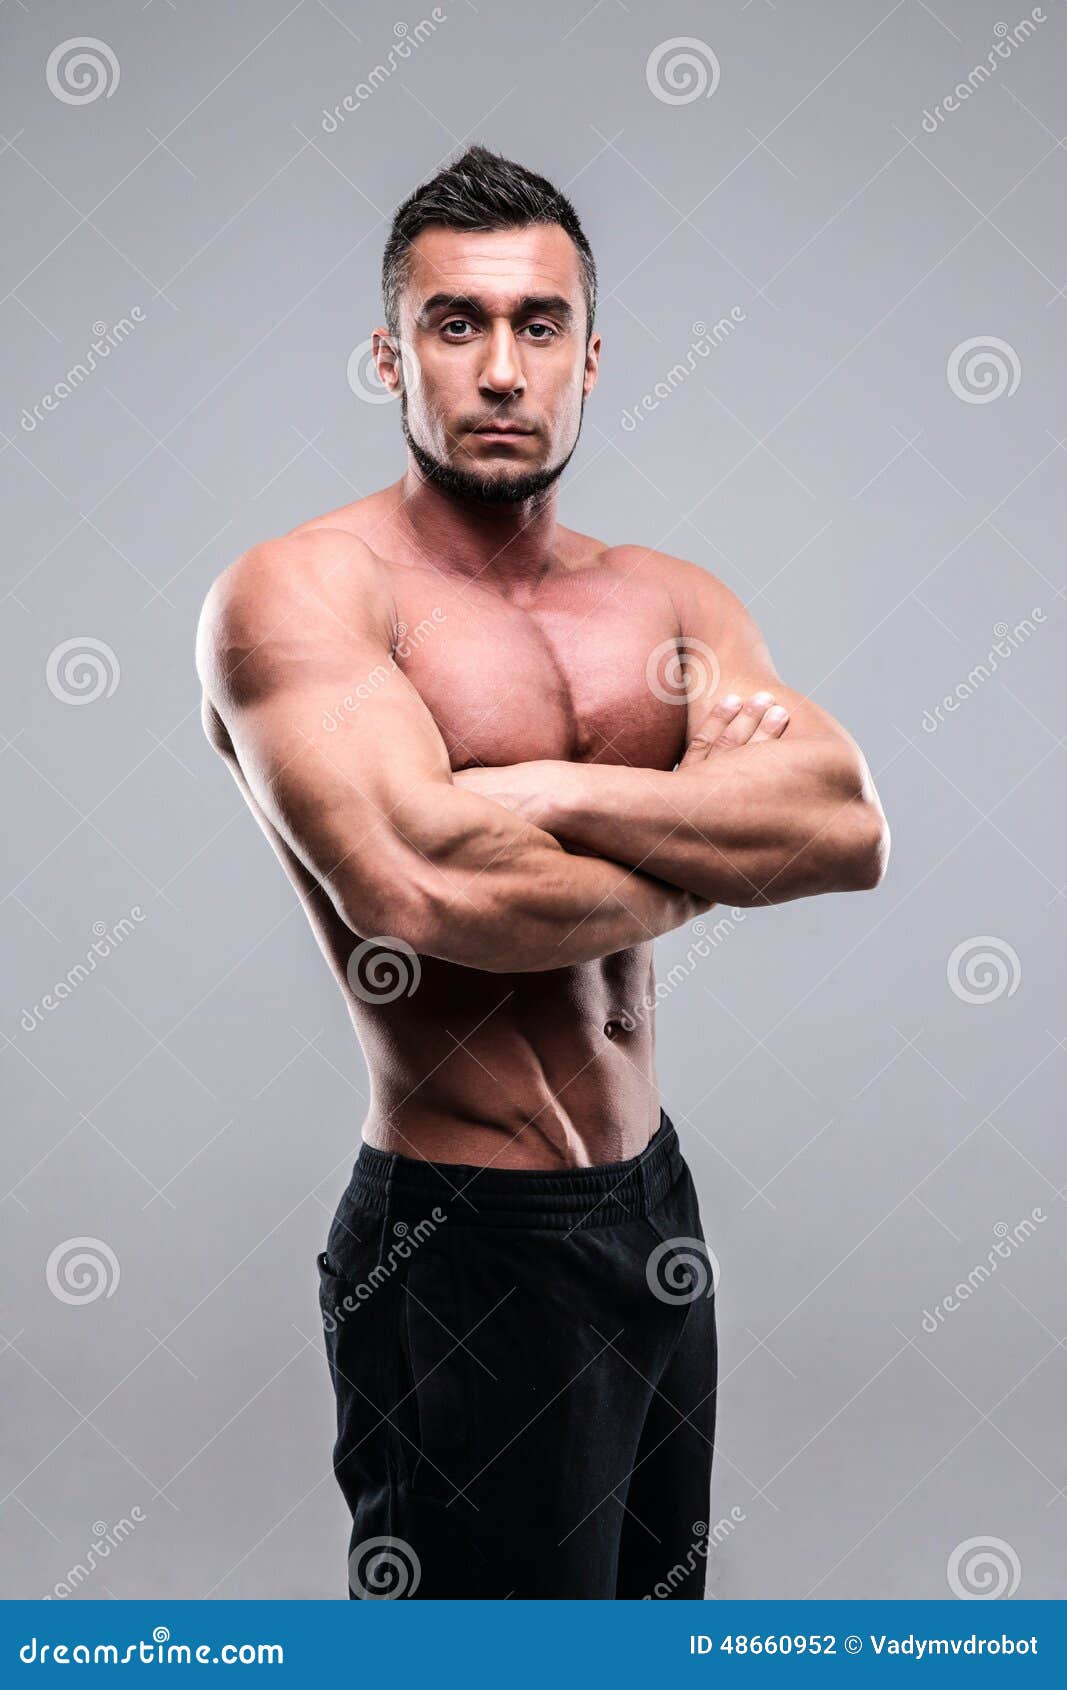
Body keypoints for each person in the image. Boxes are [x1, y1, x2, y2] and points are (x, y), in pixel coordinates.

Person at [195, 145, 889, 1599]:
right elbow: (432, 890)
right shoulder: (307, 592)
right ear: (391, 354)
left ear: (592, 353)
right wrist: (713, 835)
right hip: (461, 1242)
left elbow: (842, 826)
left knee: (650, 1629)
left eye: (538, 325)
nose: (501, 368)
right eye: (458, 325)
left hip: (650, 1206)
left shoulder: (669, 597)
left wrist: (560, 787)